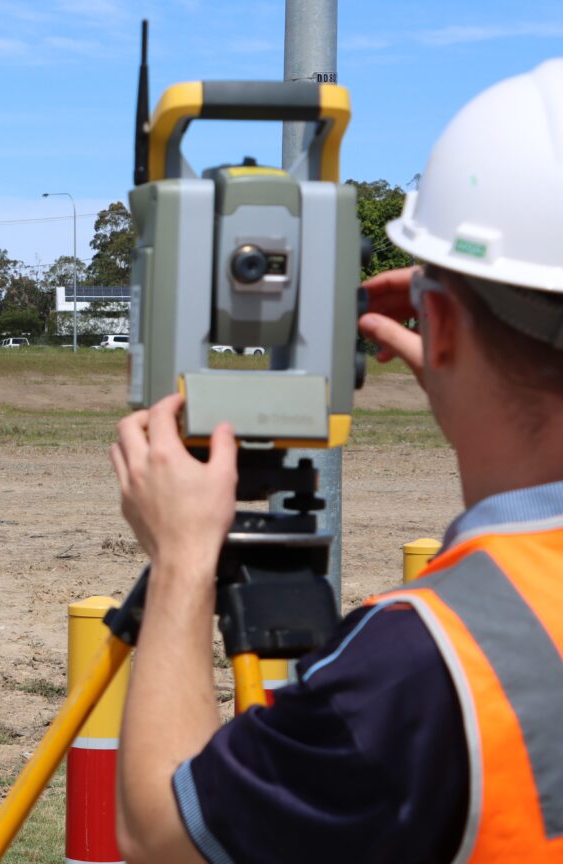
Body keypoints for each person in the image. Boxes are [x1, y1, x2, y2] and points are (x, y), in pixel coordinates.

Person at [109, 59, 563, 863]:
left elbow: (160, 838)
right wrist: (464, 351)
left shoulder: (428, 665)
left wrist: (182, 560)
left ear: (442, 326)